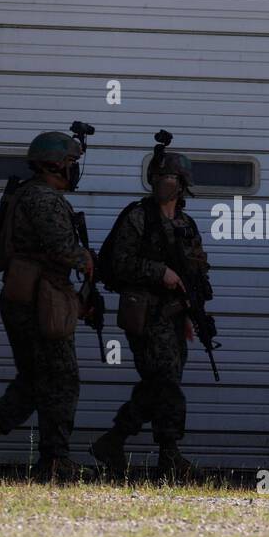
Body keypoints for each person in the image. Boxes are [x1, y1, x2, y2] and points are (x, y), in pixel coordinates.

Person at [0, 131, 93, 481]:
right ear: (56, 166)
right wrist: (85, 258)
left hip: (28, 297)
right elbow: (63, 249)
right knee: (62, 380)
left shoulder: (29, 194)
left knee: (36, 378)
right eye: (71, 164)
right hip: (40, 301)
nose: (74, 171)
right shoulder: (44, 199)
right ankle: (55, 461)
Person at [89, 148, 211, 481]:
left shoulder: (186, 224)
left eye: (168, 178)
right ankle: (169, 456)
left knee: (156, 384)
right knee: (167, 382)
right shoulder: (138, 217)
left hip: (173, 315)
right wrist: (160, 273)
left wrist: (190, 313)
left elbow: (195, 272)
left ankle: (113, 441)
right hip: (144, 313)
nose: (162, 184)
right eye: (157, 177)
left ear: (182, 183)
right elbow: (117, 263)